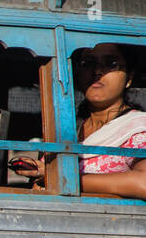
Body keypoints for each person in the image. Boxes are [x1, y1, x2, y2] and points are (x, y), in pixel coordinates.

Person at [15, 42, 146, 200]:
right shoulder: (69, 129)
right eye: (88, 63)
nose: (97, 71)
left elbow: (143, 183)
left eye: (111, 63)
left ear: (129, 77)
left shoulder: (138, 127)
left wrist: (62, 178)